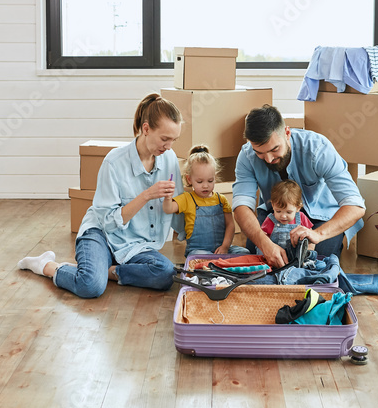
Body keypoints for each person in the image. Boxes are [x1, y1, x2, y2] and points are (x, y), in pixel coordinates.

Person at [16, 94, 182, 298]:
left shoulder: (169, 158)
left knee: (166, 274)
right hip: (101, 234)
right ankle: (46, 265)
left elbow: (178, 204)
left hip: (136, 245)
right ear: (146, 129)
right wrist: (147, 195)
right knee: (90, 287)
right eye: (165, 139)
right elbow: (108, 223)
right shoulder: (114, 162)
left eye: (174, 140)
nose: (169, 146)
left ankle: (102, 270)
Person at [232, 105, 365, 268]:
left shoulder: (318, 148)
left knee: (316, 261)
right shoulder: (246, 156)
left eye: (275, 149)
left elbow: (356, 206)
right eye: (259, 152)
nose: (268, 159)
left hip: (320, 216)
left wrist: (318, 234)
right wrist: (264, 243)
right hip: (274, 214)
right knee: (257, 258)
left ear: (287, 133)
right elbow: (241, 206)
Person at [163, 145, 248, 258]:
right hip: (198, 251)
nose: (205, 185)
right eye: (199, 181)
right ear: (189, 179)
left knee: (244, 253)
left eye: (210, 180)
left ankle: (217, 265)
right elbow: (168, 209)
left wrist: (225, 247)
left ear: (215, 177)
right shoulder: (187, 199)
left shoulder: (221, 200)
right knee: (199, 256)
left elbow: (230, 225)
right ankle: (216, 265)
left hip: (221, 249)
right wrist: (167, 197)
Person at [261, 179, 314, 259]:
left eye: (288, 212)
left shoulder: (301, 217)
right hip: (277, 257)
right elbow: (263, 238)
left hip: (298, 257)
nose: (283, 216)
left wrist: (309, 250)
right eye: (278, 211)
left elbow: (311, 234)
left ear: (298, 208)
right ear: (272, 205)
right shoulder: (270, 220)